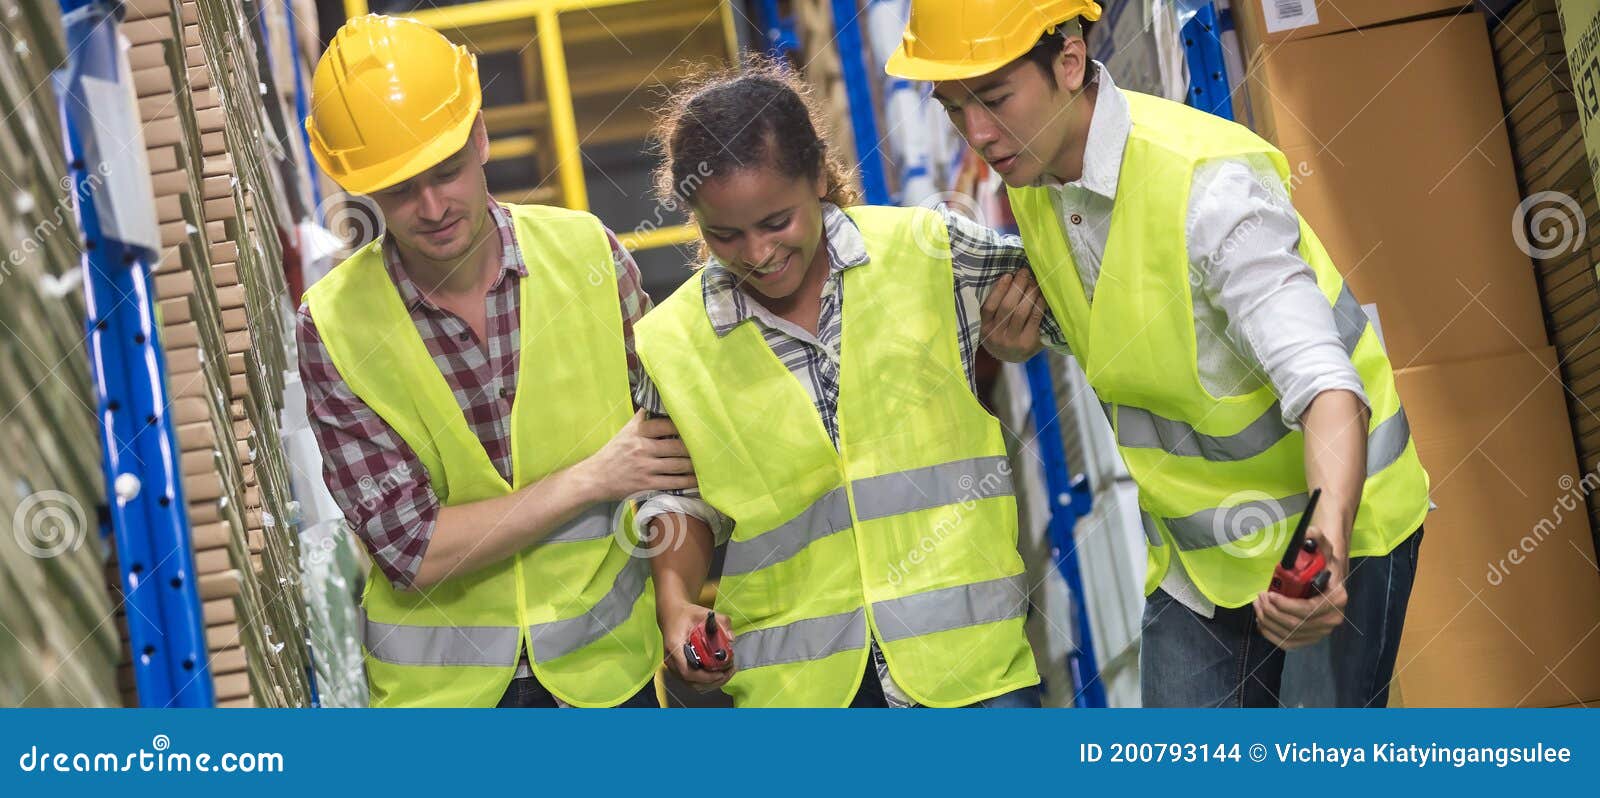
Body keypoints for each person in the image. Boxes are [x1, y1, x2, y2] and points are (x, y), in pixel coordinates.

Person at [885, 0, 1430, 707]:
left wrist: (1324, 547)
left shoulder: (1207, 186)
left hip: (1335, 528)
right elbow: (1143, 326)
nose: (979, 134)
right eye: (955, 110)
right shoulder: (1037, 181)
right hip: (1200, 563)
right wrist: (1034, 333)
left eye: (993, 99)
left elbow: (1328, 387)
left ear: (1071, 61)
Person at [298, 14, 695, 708]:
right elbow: (412, 550)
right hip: (443, 706)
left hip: (607, 680)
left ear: (479, 134)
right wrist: (591, 478)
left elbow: (668, 465)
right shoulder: (332, 325)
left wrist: (676, 604)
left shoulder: (588, 258)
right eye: (398, 190)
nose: (431, 206)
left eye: (446, 171)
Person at [632, 62, 1048, 708]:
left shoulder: (927, 250)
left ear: (820, 176)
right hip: (803, 694)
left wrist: (1020, 329)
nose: (758, 253)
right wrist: (676, 604)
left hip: (970, 671)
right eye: (725, 235)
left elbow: (1067, 292)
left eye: (777, 222)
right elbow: (678, 503)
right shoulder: (669, 343)